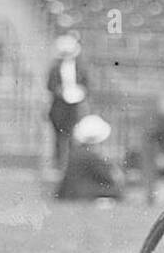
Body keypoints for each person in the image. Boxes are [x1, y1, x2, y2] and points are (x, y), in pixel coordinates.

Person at [46, 33, 89, 171]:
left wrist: (79, 92)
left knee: (72, 136)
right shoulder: (55, 68)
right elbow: (50, 85)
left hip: (74, 106)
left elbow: (87, 85)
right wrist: (61, 91)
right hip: (59, 106)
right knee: (58, 137)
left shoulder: (80, 68)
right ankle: (58, 164)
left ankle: (71, 165)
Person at [57, 114, 123, 202]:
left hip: (73, 193)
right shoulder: (90, 156)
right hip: (85, 194)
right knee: (117, 192)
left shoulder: (77, 153)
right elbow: (109, 177)